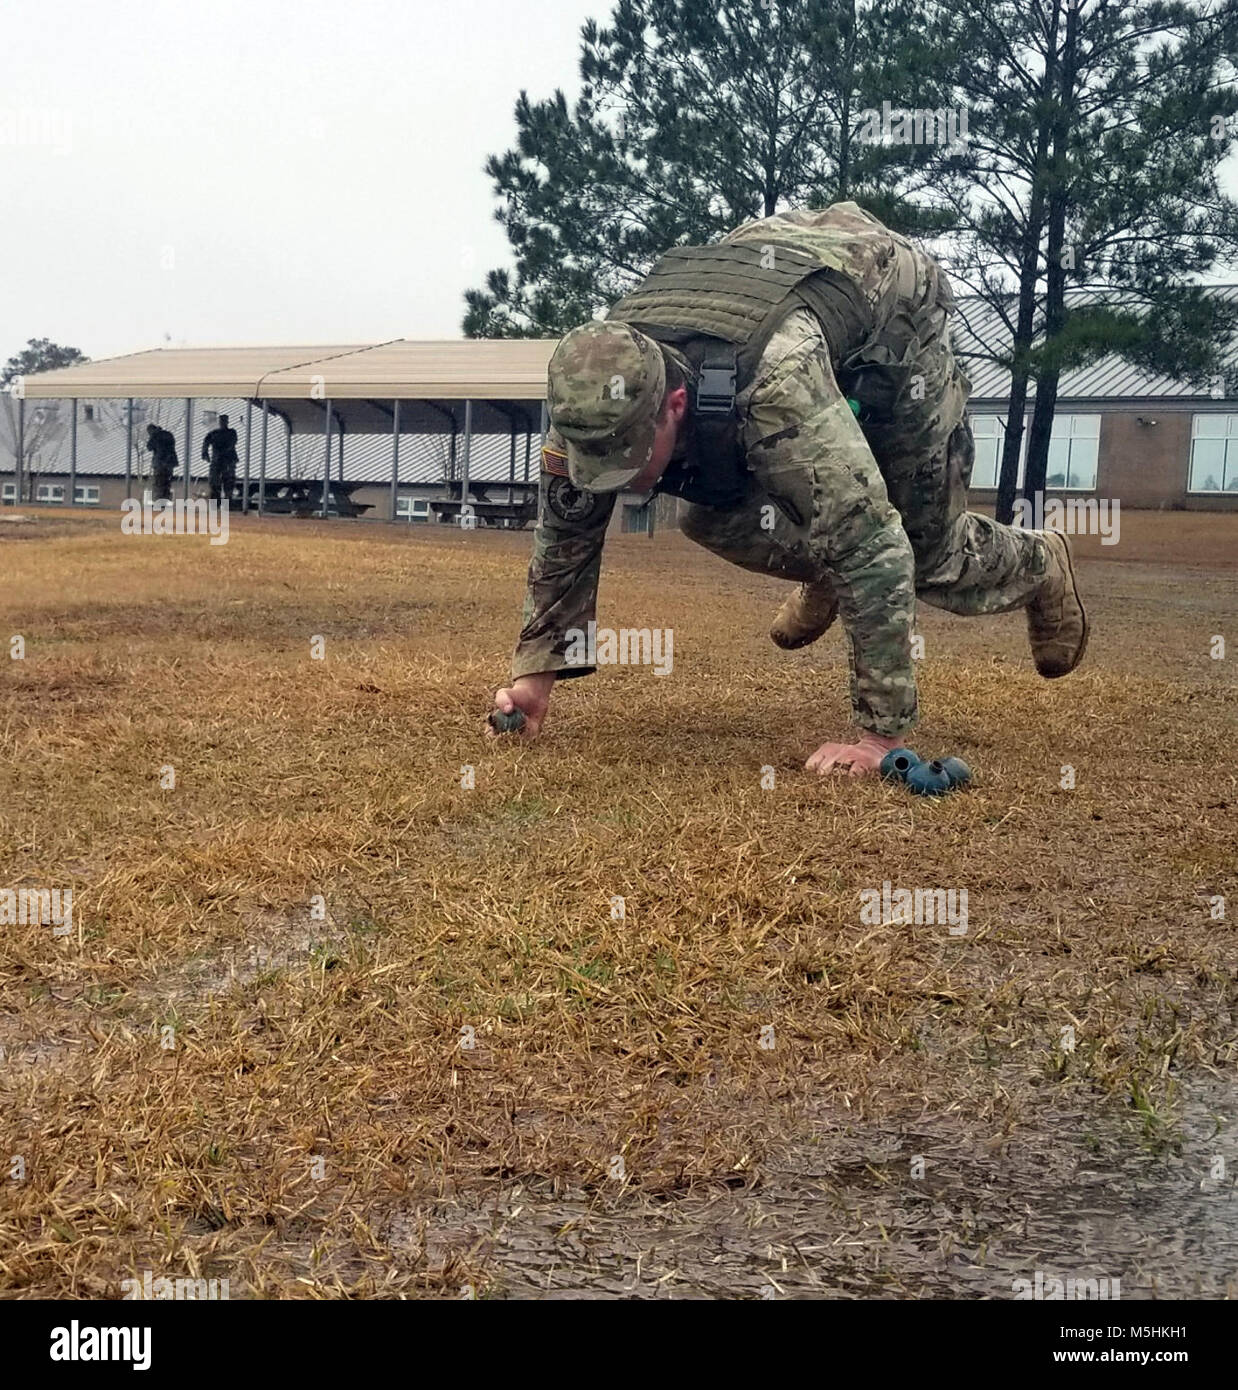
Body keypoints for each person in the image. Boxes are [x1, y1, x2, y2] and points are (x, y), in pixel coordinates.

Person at [490, 202, 1088, 778]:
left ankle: (1041, 563)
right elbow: (565, 537)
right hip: (777, 273)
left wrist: (881, 740)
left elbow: (874, 545)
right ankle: (826, 573)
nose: (611, 476)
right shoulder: (591, 393)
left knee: (923, 550)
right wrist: (533, 680)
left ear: (675, 406)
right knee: (707, 517)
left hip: (892, 305)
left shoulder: (775, 387)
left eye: (627, 457)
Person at [201, 413, 239, 503]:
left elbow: (231, 443)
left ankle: (227, 503)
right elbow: (206, 442)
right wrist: (205, 453)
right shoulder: (214, 433)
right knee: (214, 483)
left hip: (228, 461)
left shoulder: (231, 433)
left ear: (227, 422)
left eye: (224, 422)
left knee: (228, 483)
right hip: (217, 461)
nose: (223, 423)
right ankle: (215, 504)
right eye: (222, 422)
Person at [145, 423, 178, 502]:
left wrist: (152, 437)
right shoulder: (168, 434)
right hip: (170, 462)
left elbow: (149, 447)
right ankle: (166, 500)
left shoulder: (155, 436)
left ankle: (159, 501)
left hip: (160, 463)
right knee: (167, 483)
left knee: (158, 483)